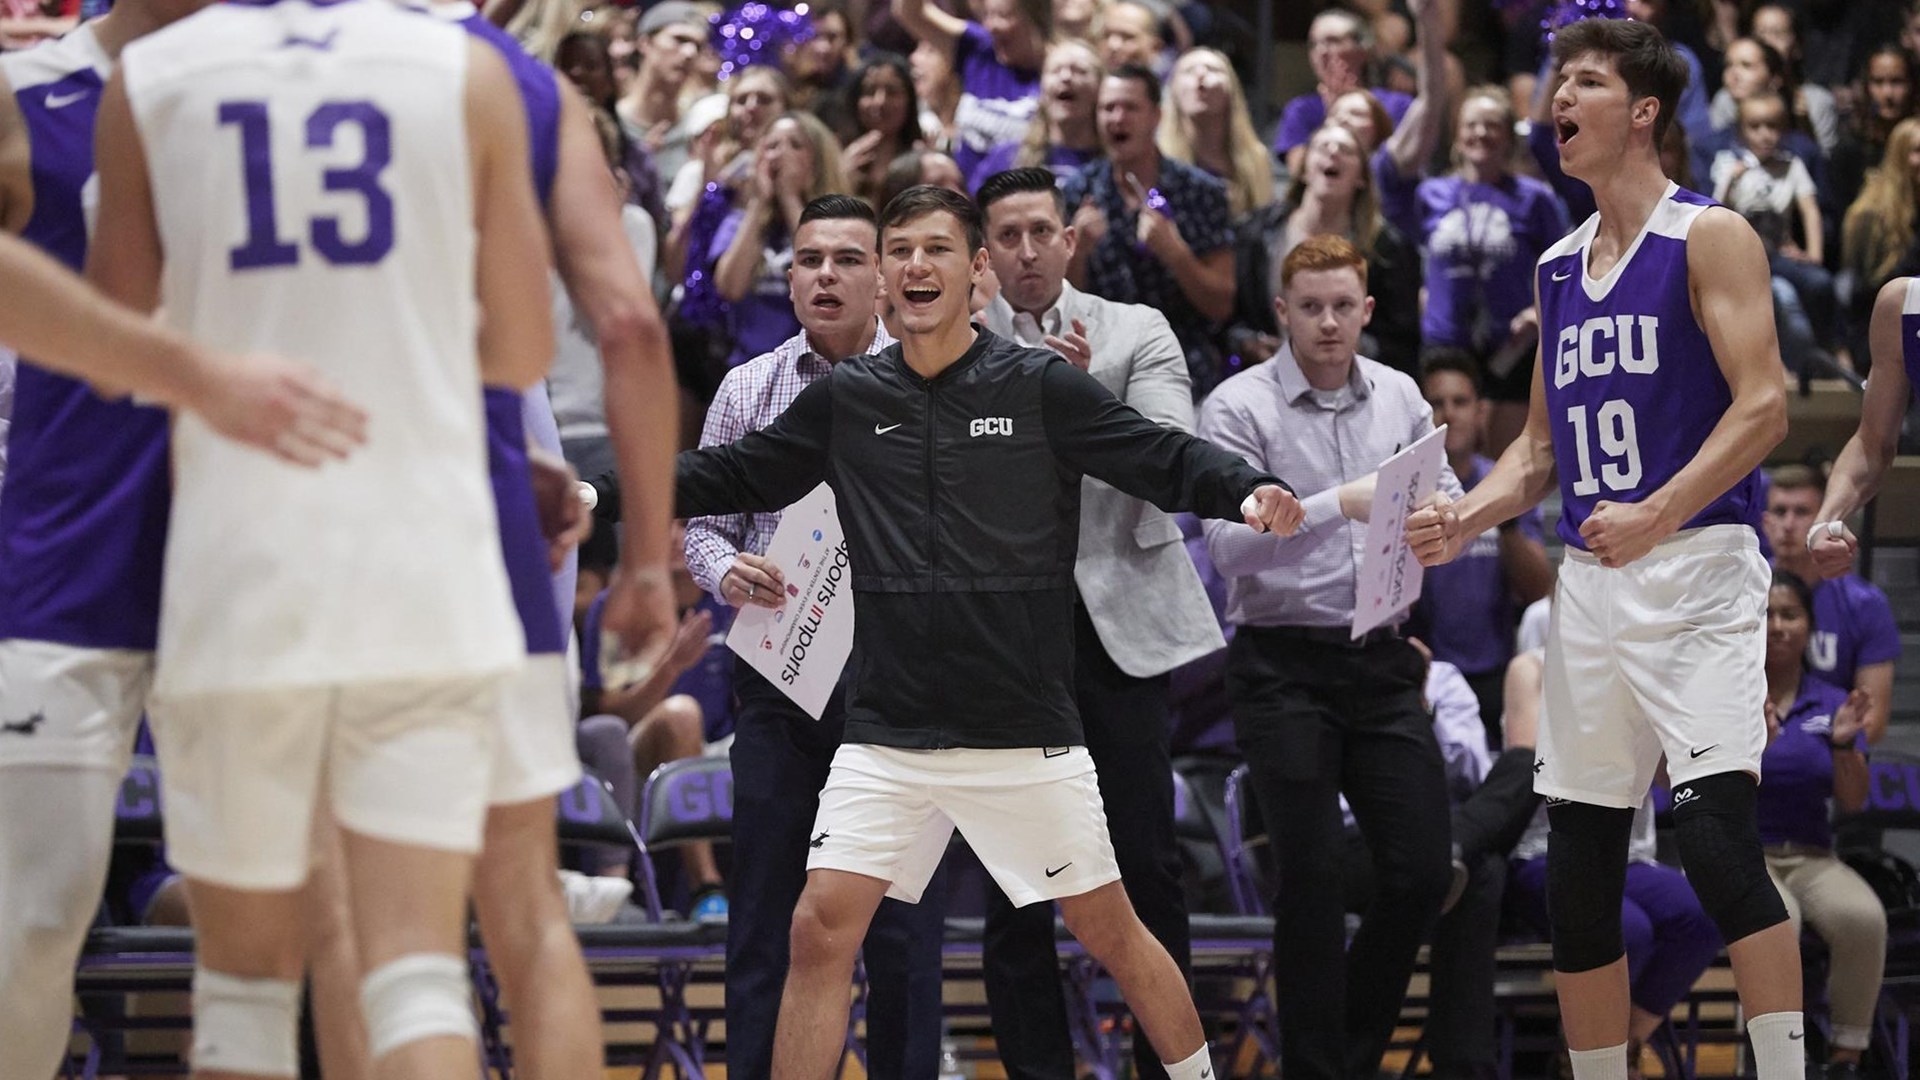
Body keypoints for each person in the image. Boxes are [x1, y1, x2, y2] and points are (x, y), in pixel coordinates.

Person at [669, 184, 1303, 1080]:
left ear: (977, 274)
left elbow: (1157, 454)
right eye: (901, 250)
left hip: (1020, 727)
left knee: (1112, 929)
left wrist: (1243, 489)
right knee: (818, 931)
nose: (916, 265)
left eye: (938, 250)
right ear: (886, 275)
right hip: (887, 733)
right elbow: (728, 473)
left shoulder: (1039, 383)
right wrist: (596, 492)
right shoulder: (849, 398)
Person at [91, 3, 555, 1077]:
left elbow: (114, 347)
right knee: (418, 972)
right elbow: (527, 340)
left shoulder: (151, 75)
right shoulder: (468, 71)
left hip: (244, 570)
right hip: (426, 569)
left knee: (244, 992)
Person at [1406, 17, 1807, 1080]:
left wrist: (1660, 510)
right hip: (1594, 585)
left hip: (1699, 568)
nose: (1556, 98)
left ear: (1643, 112)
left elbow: (1766, 408)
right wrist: (1466, 514)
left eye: (1583, 81)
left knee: (1719, 849)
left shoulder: (1709, 235)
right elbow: (1537, 454)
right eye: (1554, 80)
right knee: (1581, 870)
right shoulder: (1552, 267)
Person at [0, 6, 372, 1077]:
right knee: (33, 919)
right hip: (64, 557)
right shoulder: (29, 96)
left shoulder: (301, 95)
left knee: (260, 939)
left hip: (250, 556)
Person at [674, 194, 947, 1080]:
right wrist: (724, 572)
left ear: (884, 280)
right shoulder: (746, 388)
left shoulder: (930, 380)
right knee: (764, 922)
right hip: (778, 686)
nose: (824, 275)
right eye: (807, 260)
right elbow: (700, 523)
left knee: (903, 930)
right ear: (789, 280)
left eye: (845, 259)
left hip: (898, 688)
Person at [975, 165, 1222, 1080]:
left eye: (1043, 231)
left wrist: (1079, 409)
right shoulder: (951, 344)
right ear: (984, 253)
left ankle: (1176, 1070)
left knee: (1148, 869)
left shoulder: (1136, 329)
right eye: (1009, 236)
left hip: (1120, 629)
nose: (1029, 251)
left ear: (1071, 240)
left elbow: (1168, 460)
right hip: (1005, 642)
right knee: (1014, 886)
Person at [1199, 232, 1464, 1080]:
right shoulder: (1239, 406)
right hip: (1282, 664)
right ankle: (1321, 1070)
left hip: (1384, 658)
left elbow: (1447, 500)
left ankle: (1342, 1057)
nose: (1327, 323)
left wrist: (1446, 527)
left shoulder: (1400, 397)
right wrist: (1331, 506)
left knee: (1424, 871)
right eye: (1309, 307)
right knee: (1309, 882)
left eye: (1343, 306)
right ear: (1281, 312)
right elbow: (1228, 550)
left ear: (1368, 310)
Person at [1757, 569, 1885, 1080]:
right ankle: (1778, 1060)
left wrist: (1843, 745)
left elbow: (1854, 801)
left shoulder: (1834, 702)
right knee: (1776, 924)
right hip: (1747, 855)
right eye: (1766, 614)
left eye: (1790, 614)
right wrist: (1753, 747)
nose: (1777, 625)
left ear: (1809, 626)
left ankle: (1845, 1059)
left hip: (1812, 854)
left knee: (1865, 918)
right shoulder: (1731, 697)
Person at [1062, 63, 1234, 394]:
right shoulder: (1076, 192)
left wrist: (1176, 254)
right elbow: (1061, 307)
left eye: (1130, 107)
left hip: (1183, 366)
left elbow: (1221, 305)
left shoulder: (1202, 193)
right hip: (1099, 366)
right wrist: (1078, 253)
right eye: (1108, 108)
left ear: (1157, 116)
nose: (1117, 118)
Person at [1407, 352, 1553, 739]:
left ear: (1480, 412)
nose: (1449, 413)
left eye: (1460, 402)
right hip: (1427, 668)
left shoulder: (1505, 486)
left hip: (1497, 670)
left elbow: (1539, 589)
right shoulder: (1406, 487)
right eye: (1437, 404)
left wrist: (1504, 522)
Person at [1418, 87, 1570, 452]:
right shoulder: (1431, 194)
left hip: (1511, 349)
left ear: (1507, 136)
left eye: (1492, 125)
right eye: (1471, 124)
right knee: (1445, 466)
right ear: (1457, 133)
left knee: (1505, 464)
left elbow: (1564, 267)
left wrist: (1538, 311)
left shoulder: (1536, 199)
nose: (1481, 133)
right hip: (1446, 348)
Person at [1225, 123, 1420, 374]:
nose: (1333, 153)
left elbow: (1402, 341)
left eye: (1346, 150)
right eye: (1322, 147)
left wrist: (1353, 347)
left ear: (1362, 177)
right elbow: (1227, 317)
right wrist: (1247, 343)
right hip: (1265, 381)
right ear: (1304, 169)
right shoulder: (1255, 232)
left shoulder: (1388, 249)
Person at [1761, 465, 1899, 744]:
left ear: (1823, 521)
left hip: (1830, 759)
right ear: (1765, 523)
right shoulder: (1741, 594)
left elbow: (1872, 720)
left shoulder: (1865, 604)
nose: (1788, 525)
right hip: (1752, 752)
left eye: (1801, 512)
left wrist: (1805, 759)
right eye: (1780, 511)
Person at [1710, 91, 1834, 373]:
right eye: (1755, 127)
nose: (1765, 135)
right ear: (1742, 132)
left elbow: (1810, 210)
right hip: (1742, 256)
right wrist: (1731, 180)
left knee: (1820, 284)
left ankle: (1825, 353)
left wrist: (1813, 253)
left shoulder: (1792, 166)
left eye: (1773, 127)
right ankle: (1779, 368)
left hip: (1780, 253)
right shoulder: (1729, 164)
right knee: (1782, 298)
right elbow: (1717, 210)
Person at [890, 0, 1046, 182]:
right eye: (988, 15)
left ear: (1037, 17)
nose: (991, 26)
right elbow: (910, 13)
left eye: (1004, 16)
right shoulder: (981, 49)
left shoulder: (1062, 71)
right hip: (967, 202)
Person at [1274, 7, 1413, 179]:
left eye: (1333, 41)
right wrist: (1334, 117)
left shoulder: (1398, 104)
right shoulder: (1300, 109)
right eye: (1313, 44)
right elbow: (1301, 175)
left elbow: (1401, 169)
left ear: (1363, 50)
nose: (1322, 51)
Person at [968, 38, 1103, 191]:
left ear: (1101, 88)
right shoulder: (1006, 158)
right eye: (1056, 70)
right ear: (1041, 87)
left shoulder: (1115, 165)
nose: (1066, 77)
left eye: (1080, 71)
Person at [1156, 47, 1272, 220]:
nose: (1201, 74)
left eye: (1213, 70)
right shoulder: (1157, 159)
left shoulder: (1256, 158)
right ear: (1173, 91)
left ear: (1231, 89)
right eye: (1189, 71)